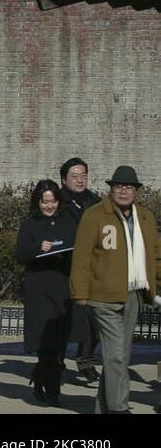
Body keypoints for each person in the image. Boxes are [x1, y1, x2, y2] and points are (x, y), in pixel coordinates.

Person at [70, 166, 159, 413]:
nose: (123, 191)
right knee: (117, 355)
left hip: (134, 294)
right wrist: (81, 291)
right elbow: (82, 256)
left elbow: (155, 256)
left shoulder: (145, 218)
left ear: (136, 191)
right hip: (102, 296)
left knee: (117, 356)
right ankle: (120, 408)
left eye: (129, 187)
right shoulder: (95, 215)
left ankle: (103, 408)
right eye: (118, 186)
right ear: (111, 189)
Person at [14, 179, 77, 407]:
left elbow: (78, 249)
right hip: (38, 289)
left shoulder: (68, 222)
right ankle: (53, 392)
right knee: (45, 345)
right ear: (37, 203)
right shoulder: (30, 224)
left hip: (62, 287)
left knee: (58, 345)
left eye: (52, 201)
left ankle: (39, 378)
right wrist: (38, 247)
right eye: (44, 202)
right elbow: (20, 255)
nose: (49, 206)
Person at [58, 157, 100, 383]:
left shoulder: (96, 201)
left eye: (83, 175)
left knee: (93, 317)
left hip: (91, 268)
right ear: (64, 179)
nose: (80, 180)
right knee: (62, 317)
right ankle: (56, 359)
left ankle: (86, 361)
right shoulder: (57, 202)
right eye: (74, 176)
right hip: (64, 267)